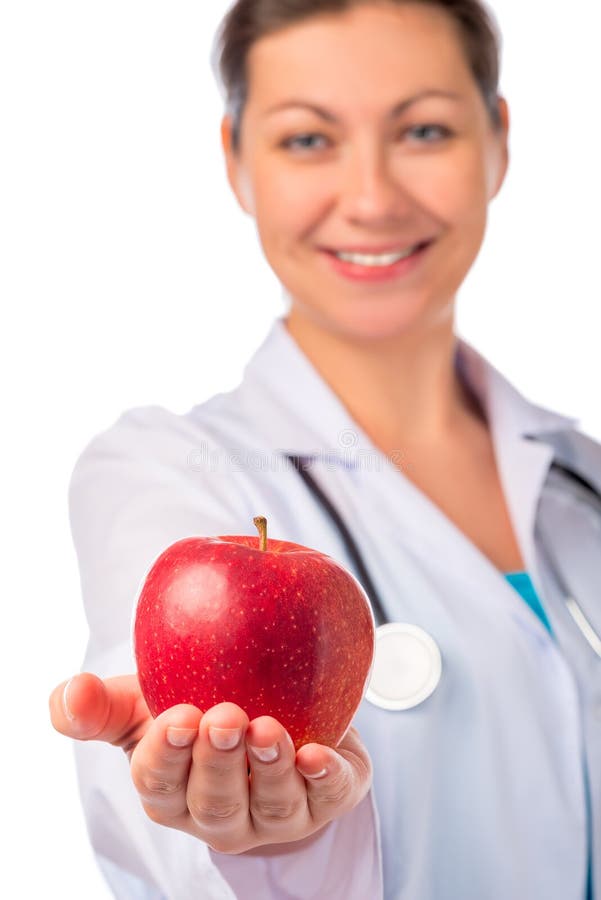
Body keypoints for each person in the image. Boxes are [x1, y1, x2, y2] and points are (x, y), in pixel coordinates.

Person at [49, 1, 601, 898]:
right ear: (236, 163)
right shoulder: (167, 471)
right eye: (308, 141)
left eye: (423, 129)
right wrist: (248, 833)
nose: (374, 198)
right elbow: (171, 811)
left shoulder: (583, 478)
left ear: (497, 142)